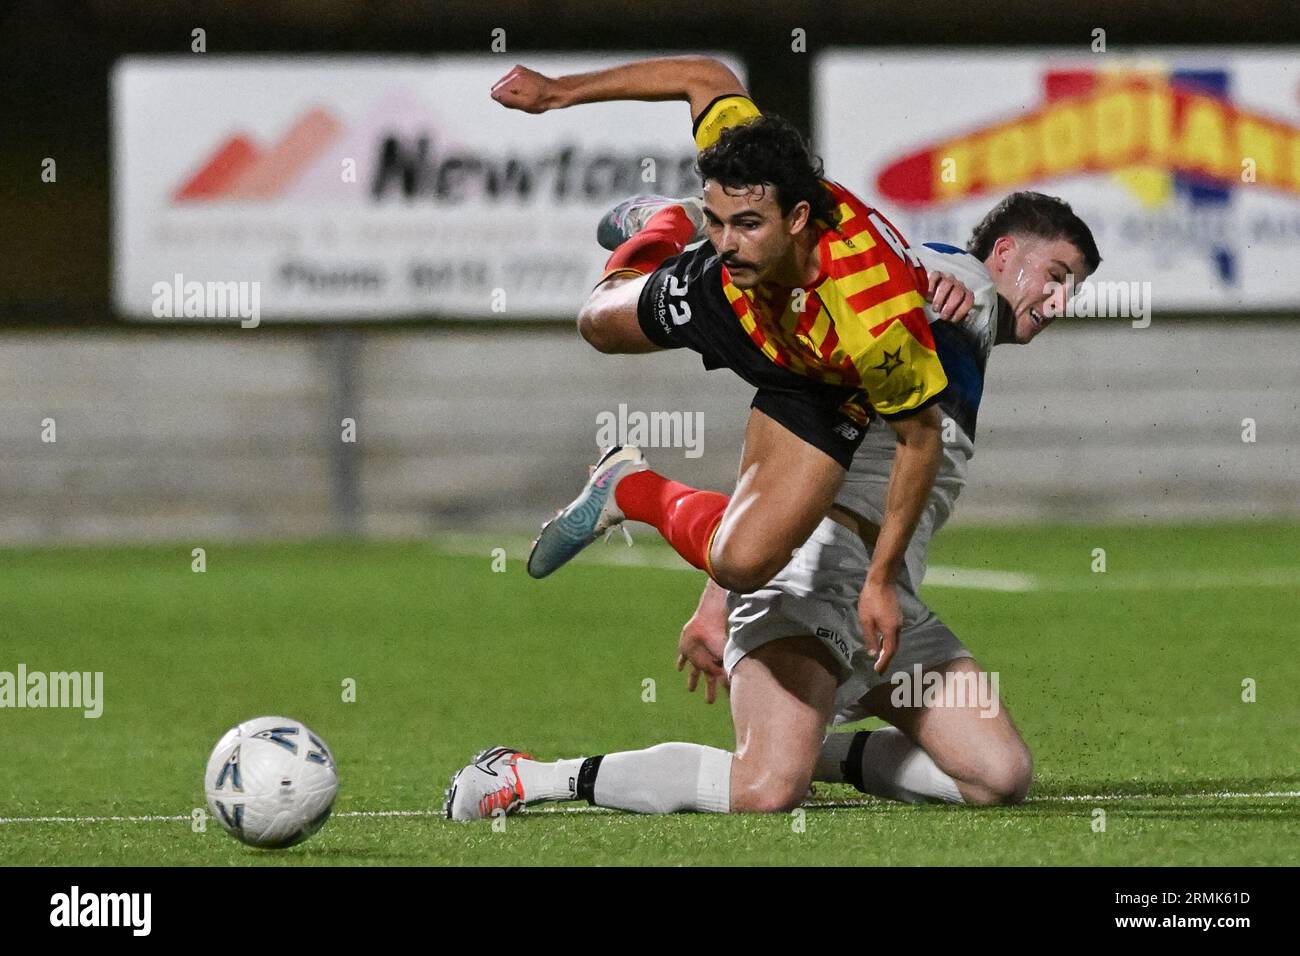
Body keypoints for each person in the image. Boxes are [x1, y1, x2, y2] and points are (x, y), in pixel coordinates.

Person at [445, 192, 1102, 820]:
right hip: (811, 577)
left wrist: (715, 598)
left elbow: (797, 455)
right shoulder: (957, 280)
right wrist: (924, 277)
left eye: (1072, 286)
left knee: (998, 775)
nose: (1059, 298)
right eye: (1056, 273)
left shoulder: (957, 321)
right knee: (764, 789)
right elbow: (878, 263)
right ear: (1006, 251)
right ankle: (523, 777)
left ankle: (807, 743)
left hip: (884, 599)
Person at [493, 55, 962, 671]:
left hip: (818, 380)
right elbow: (704, 76)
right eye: (714, 222)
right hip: (735, 304)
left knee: (744, 562)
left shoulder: (875, 316)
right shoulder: (740, 231)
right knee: (597, 323)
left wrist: (880, 579)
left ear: (797, 219)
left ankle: (627, 489)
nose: (727, 241)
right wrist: (559, 93)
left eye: (746, 224)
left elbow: (920, 439)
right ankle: (665, 224)